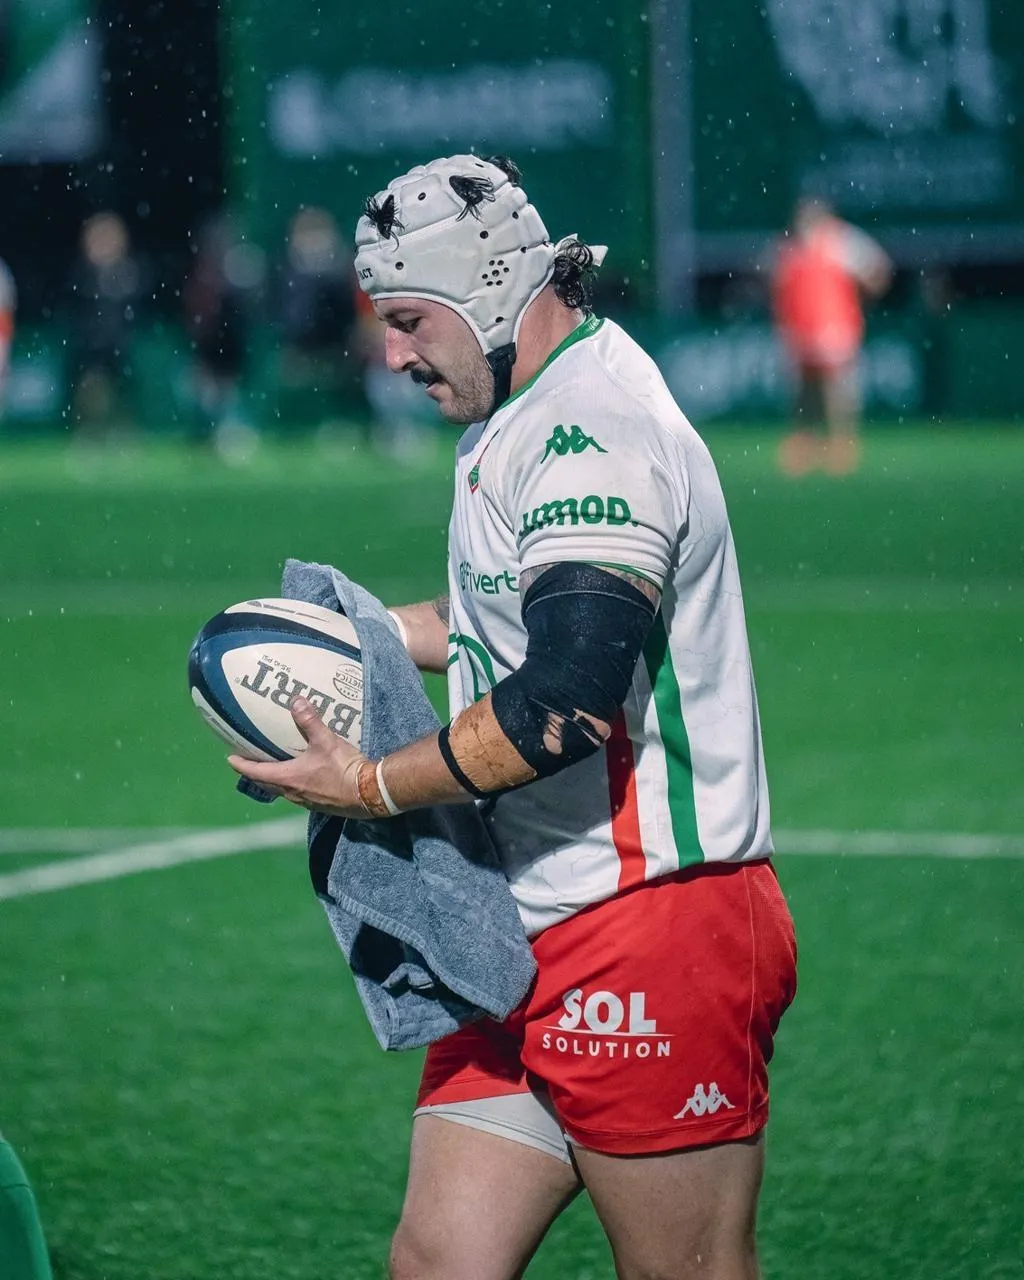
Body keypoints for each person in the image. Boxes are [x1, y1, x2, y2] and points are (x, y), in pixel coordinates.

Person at [231, 154, 797, 1280]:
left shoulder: (593, 431)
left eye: (406, 321)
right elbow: (507, 614)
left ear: (487, 291)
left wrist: (370, 784)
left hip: (649, 924)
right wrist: (351, 637)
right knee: (438, 1260)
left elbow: (564, 698)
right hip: (517, 934)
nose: (392, 355)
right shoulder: (527, 410)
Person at [770, 196, 892, 476]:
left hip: (834, 326)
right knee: (805, 391)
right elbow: (780, 285)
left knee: (836, 390)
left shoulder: (842, 241)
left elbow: (877, 270)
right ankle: (806, 443)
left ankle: (841, 444)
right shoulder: (792, 246)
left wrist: (859, 299)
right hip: (802, 329)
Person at [65, 211, 148, 433]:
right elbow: (75, 310)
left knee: (124, 388)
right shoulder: (84, 275)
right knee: (90, 388)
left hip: (120, 342)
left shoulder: (129, 273)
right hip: (92, 343)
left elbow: (135, 308)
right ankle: (89, 431)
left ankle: (123, 430)